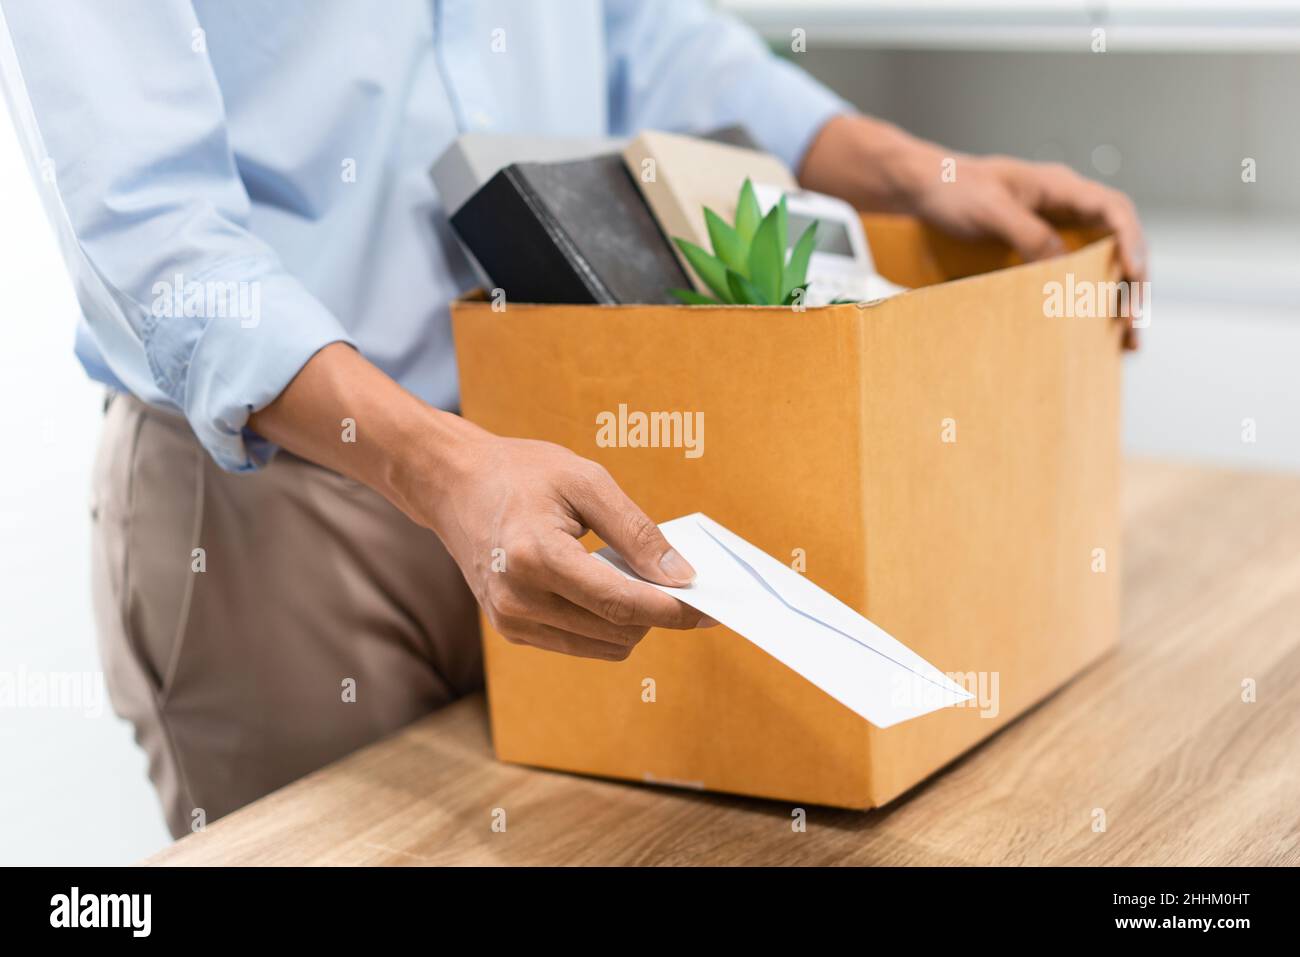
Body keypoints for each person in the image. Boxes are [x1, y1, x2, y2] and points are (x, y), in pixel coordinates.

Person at [0, 0, 1146, 838]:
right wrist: (438, 466)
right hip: (287, 504)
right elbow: (151, 233)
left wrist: (914, 171)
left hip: (553, 460)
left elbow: (642, 32)